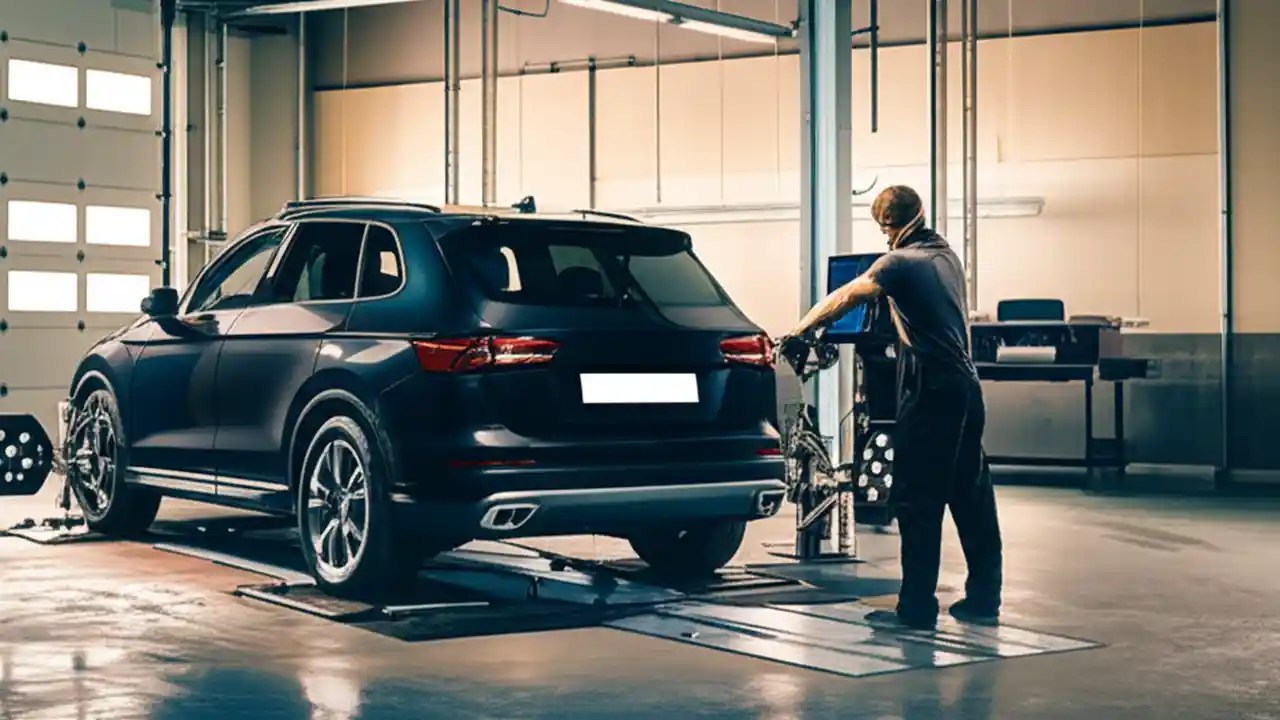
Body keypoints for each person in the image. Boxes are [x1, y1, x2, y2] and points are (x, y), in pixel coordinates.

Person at [783, 185, 1003, 630]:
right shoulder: (946, 256)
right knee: (971, 494)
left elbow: (847, 295)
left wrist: (799, 330)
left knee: (918, 497)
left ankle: (917, 608)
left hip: (932, 390)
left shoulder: (899, 262)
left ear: (887, 227)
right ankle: (984, 597)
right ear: (921, 213)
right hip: (966, 386)